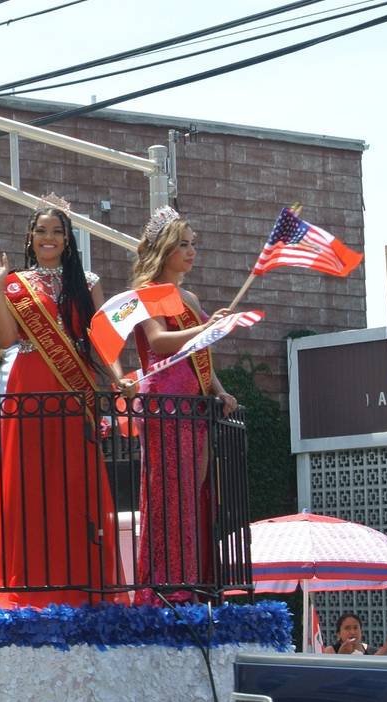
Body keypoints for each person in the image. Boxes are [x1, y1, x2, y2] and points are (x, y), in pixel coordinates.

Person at [0, 195, 130, 611]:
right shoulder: (16, 283)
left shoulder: (87, 282)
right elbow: (7, 339)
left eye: (57, 231)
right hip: (29, 387)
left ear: (68, 239)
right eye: (41, 231)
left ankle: (78, 581)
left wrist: (118, 378)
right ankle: (26, 582)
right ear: (30, 237)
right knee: (27, 483)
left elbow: (101, 339)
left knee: (74, 481)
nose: (49, 238)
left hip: (74, 390)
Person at [129, 206, 238, 604]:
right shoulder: (147, 292)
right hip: (165, 404)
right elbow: (159, 342)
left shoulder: (189, 297)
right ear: (163, 250)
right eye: (183, 245)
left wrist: (219, 390)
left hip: (194, 404)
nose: (191, 252)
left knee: (191, 495)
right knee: (168, 494)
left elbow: (200, 354)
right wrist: (206, 327)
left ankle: (189, 580)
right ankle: (164, 586)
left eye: (193, 244)